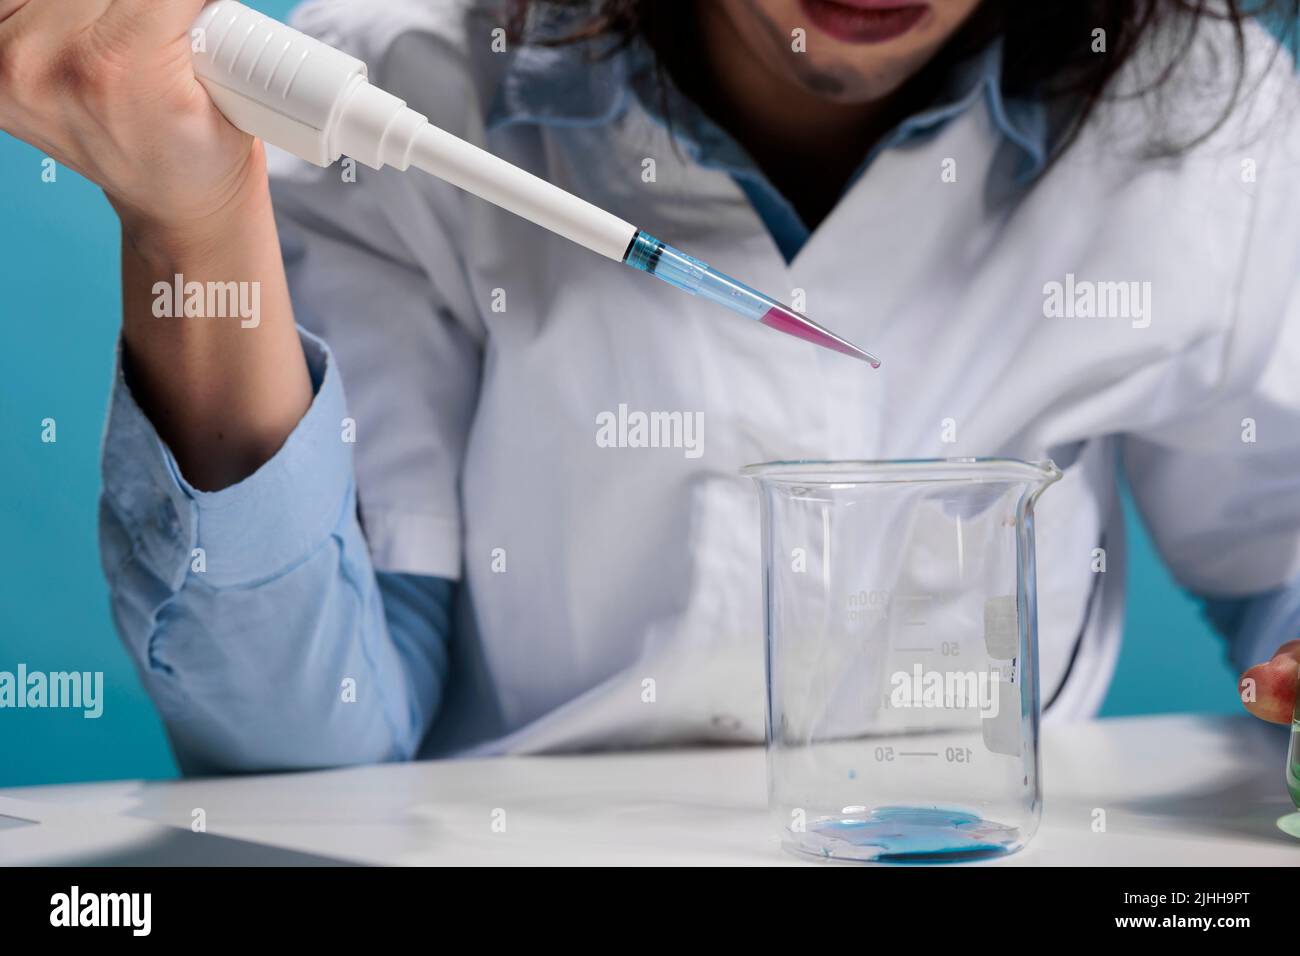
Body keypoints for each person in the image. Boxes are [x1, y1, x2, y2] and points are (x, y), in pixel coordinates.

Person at [1, 0, 1297, 772]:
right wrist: (191, 222)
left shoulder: (1202, 117)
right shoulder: (413, 89)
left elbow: (1279, 550)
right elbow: (308, 753)